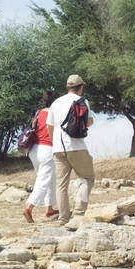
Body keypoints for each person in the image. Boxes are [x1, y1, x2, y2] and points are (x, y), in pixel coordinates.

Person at [47, 74, 96, 223]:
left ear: (68, 87)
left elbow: (49, 126)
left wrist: (54, 142)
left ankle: (63, 218)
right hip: (76, 145)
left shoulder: (56, 103)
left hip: (58, 148)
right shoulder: (82, 101)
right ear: (80, 87)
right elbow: (89, 122)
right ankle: (79, 214)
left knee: (61, 184)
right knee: (87, 178)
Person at [23, 89, 59, 223]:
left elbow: (33, 126)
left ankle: (49, 209)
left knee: (49, 178)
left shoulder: (39, 112)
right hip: (48, 150)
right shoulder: (56, 113)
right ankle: (29, 208)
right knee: (43, 181)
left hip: (34, 150)